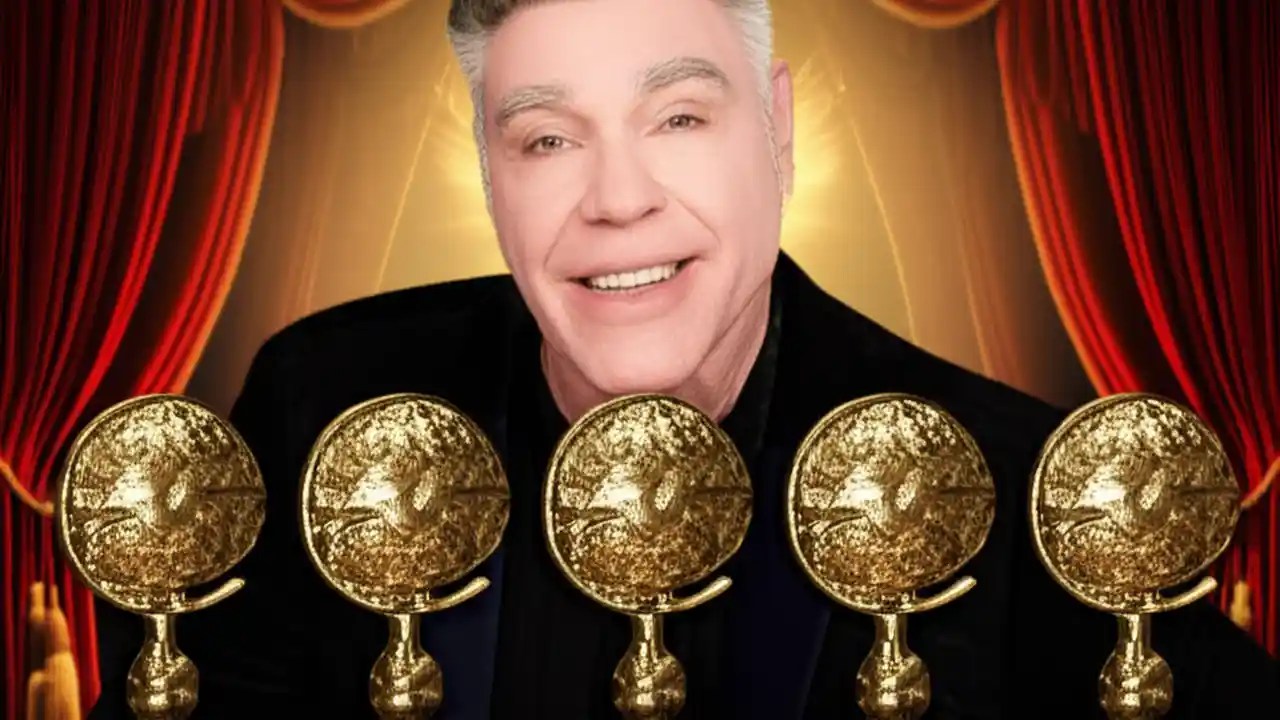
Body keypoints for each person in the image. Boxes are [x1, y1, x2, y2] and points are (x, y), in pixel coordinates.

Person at [92, 0, 1278, 717]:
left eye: (677, 119)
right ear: (490, 170)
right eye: (548, 137)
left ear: (779, 132)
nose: (616, 201)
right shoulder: (323, 403)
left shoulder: (1014, 488)